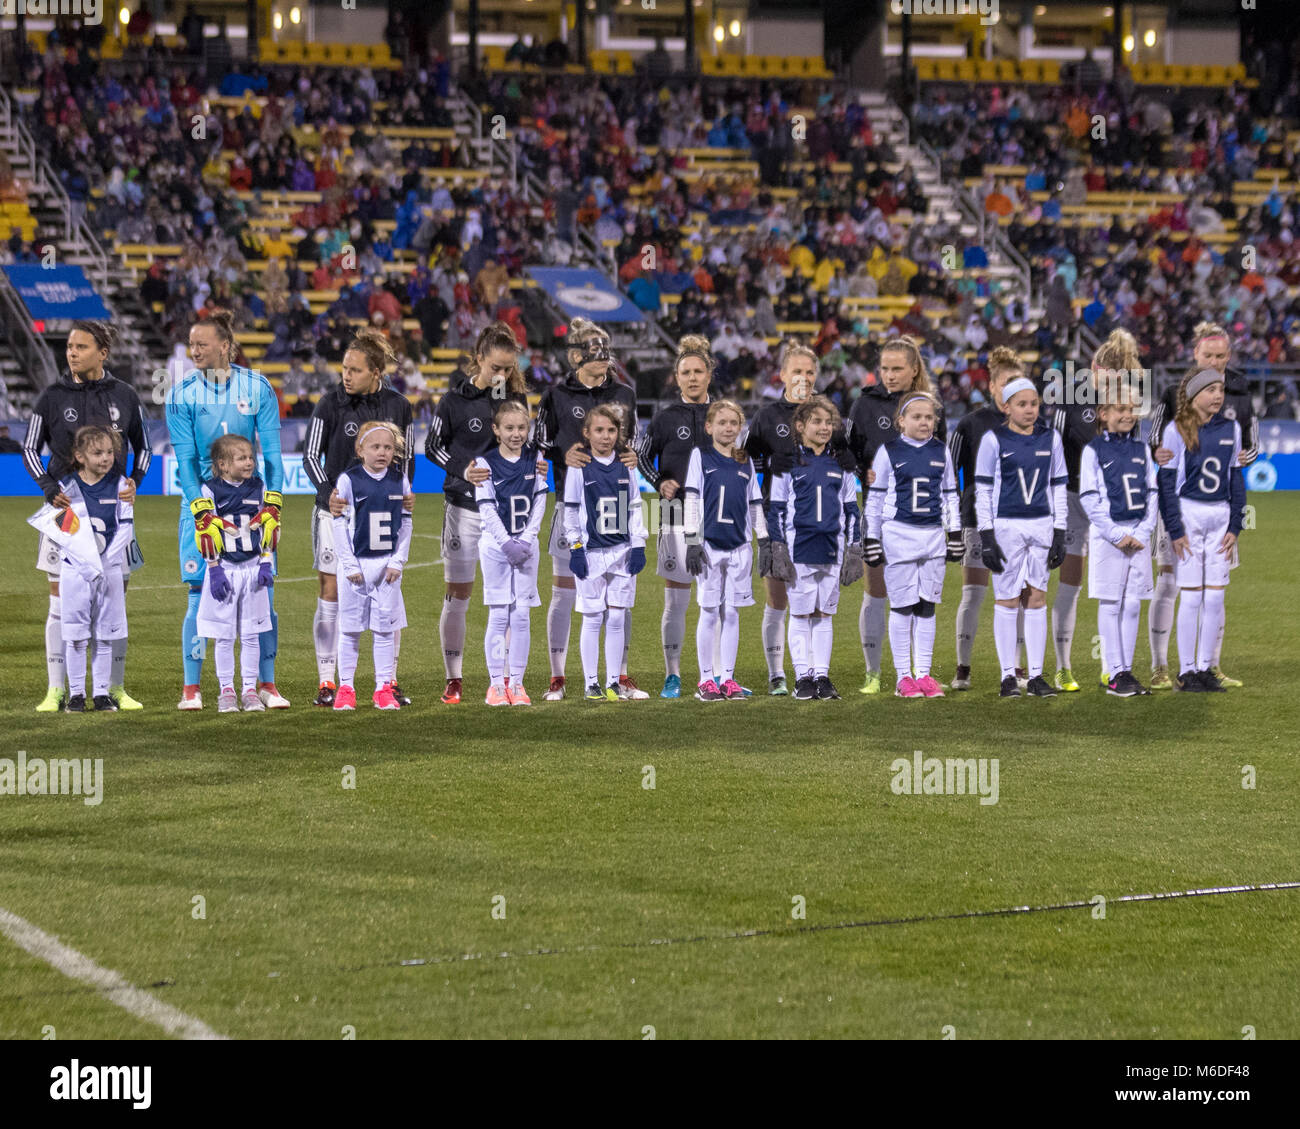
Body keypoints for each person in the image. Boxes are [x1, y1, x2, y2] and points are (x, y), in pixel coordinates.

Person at [23, 320, 149, 713]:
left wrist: (135, 481)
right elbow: (29, 448)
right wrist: (47, 486)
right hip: (67, 516)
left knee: (114, 605)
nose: (71, 352)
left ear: (103, 353)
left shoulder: (125, 395)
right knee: (60, 604)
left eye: (80, 346)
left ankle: (114, 688)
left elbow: (143, 448)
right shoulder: (53, 395)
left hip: (114, 515)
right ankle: (57, 689)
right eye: (69, 347)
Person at [167, 310, 285, 711]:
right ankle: (192, 689)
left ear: (225, 346)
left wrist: (274, 502)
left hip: (252, 506)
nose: (194, 351)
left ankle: (265, 685)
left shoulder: (258, 387)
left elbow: (272, 454)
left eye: (202, 344)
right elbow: (185, 461)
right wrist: (200, 508)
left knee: (261, 591)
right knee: (199, 593)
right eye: (191, 344)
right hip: (202, 504)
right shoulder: (181, 393)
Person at [534, 317, 645, 701]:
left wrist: (634, 457)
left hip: (615, 510)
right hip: (574, 504)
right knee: (565, 593)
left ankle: (619, 675)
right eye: (596, 351)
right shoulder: (555, 396)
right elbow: (539, 444)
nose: (604, 358)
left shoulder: (626, 394)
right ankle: (559, 676)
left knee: (619, 599)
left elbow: (637, 442)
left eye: (607, 350)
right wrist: (560, 456)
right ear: (576, 356)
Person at [306, 328, 414, 707]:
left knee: (389, 590)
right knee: (332, 591)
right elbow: (310, 457)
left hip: (382, 514)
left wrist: (401, 496)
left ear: (376, 372)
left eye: (354, 370)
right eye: (344, 369)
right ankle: (327, 680)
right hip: (335, 513)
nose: (345, 376)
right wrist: (329, 497)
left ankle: (390, 680)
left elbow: (408, 458)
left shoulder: (399, 406)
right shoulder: (328, 404)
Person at [1147, 322, 1255, 689]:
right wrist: (1156, 452)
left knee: (1214, 594)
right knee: (1175, 587)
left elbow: (1242, 460)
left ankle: (1209, 666)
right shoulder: (1174, 412)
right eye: (1208, 356)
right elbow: (1158, 451)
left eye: (1221, 356)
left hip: (1220, 513)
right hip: (1184, 511)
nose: (1215, 361)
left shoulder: (1237, 399)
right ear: (1195, 355)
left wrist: (1236, 523)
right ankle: (1171, 667)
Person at [425, 322, 528, 705]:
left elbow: (522, 446)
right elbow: (433, 446)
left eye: (509, 369)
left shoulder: (514, 402)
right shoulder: (453, 401)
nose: (502, 375)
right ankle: (454, 678)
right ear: (480, 359)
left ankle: (501, 678)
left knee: (505, 599)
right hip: (464, 509)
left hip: (504, 516)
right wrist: (464, 468)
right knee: (459, 595)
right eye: (497, 367)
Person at [847, 336, 947, 695]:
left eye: (896, 369)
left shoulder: (932, 407)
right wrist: (862, 473)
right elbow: (847, 452)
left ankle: (918, 672)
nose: (888, 375)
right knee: (877, 591)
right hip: (884, 513)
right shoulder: (864, 404)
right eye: (884, 368)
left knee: (919, 600)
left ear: (914, 369)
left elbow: (939, 463)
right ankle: (875, 671)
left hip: (925, 521)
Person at [1048, 328, 1142, 692]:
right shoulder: (1071, 402)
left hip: (1111, 508)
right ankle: (1063, 667)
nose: (1113, 381)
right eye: (1108, 373)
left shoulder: (1126, 407)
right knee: (1069, 586)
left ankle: (1111, 669)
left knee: (1113, 590)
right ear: (1093, 368)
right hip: (1072, 500)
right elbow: (1054, 452)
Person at [974, 375, 1068, 698]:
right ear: (1006, 406)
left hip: (1041, 525)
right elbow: (983, 491)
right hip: (1006, 527)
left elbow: (1058, 487)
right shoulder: (993, 440)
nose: (1030, 410)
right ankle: (1007, 676)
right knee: (1007, 599)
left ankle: (1038, 676)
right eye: (1022, 404)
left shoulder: (1051, 439)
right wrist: (986, 535)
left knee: (1037, 599)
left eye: (1034, 404)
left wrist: (1059, 531)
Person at [863, 392, 962, 698]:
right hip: (899, 535)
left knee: (927, 604)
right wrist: (871, 537)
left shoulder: (940, 451)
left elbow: (949, 494)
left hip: (932, 535)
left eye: (929, 417)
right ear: (901, 421)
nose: (924, 421)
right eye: (916, 417)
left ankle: (924, 673)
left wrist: (955, 533)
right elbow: (876, 498)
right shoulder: (889, 451)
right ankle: (903, 676)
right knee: (903, 605)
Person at [633, 335, 714, 699]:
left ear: (709, 374)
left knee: (716, 601)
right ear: (676, 377)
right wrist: (658, 481)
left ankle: (714, 674)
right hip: (673, 514)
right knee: (676, 601)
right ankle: (673, 674)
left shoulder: (723, 415)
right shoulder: (665, 419)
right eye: (686, 372)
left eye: (699, 371)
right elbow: (641, 457)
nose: (693, 378)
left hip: (716, 518)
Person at [767, 396, 862, 701]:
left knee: (824, 613)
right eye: (816, 421)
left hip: (831, 548)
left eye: (828, 422)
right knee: (800, 612)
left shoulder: (842, 465)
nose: (824, 427)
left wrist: (855, 548)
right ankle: (802, 676)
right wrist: (778, 547)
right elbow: (777, 508)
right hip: (800, 548)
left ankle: (822, 674)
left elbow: (851, 509)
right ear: (800, 426)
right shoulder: (787, 463)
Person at [739, 343, 818, 695]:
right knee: (778, 599)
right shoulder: (768, 416)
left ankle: (813, 670)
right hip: (776, 518)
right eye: (797, 371)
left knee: (814, 599)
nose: (804, 377)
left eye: (810, 372)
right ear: (783, 375)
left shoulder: (826, 413)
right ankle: (777, 674)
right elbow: (750, 461)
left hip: (818, 520)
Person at [563, 405, 649, 702]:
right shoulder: (579, 467)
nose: (606, 436)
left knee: (617, 617)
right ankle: (591, 684)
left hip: (623, 552)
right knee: (592, 618)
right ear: (586, 434)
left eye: (611, 430)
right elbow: (571, 510)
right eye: (599, 430)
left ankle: (613, 683)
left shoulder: (628, 464)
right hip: (591, 553)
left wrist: (639, 543)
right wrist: (575, 548)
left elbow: (636, 506)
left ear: (619, 433)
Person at [682, 399, 767, 701]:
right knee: (708, 612)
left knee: (731, 613)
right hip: (708, 546)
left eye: (734, 423)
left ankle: (728, 678)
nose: (729, 428)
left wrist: (764, 540)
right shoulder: (700, 456)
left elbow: (754, 502)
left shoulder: (745, 459)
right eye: (722, 423)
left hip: (740, 547)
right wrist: (692, 539)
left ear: (741, 426)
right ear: (709, 427)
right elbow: (691, 497)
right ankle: (706, 679)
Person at [1078, 386, 1158, 696]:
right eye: (1120, 408)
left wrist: (1142, 532)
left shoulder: (1141, 449)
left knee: (1134, 603)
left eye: (1132, 408)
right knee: (1111, 603)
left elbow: (1152, 492)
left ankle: (1126, 671)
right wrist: (1115, 534)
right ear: (1104, 414)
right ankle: (1114, 672)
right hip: (1108, 539)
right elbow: (1089, 496)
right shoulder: (1093, 450)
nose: (1127, 414)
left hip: (1137, 537)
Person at [947, 346, 1018, 690]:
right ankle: (963, 668)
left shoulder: (1034, 423)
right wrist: (954, 523)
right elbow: (950, 474)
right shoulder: (970, 424)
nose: (1012, 390)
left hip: (1019, 522)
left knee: (1017, 596)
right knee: (974, 594)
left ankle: (1018, 669)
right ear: (992, 386)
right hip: (977, 520)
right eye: (1006, 383)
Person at [472, 400, 549, 706]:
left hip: (527, 546)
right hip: (495, 547)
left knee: (521, 616)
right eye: (509, 428)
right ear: (496, 430)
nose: (516, 434)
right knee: (499, 613)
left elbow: (541, 500)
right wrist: (506, 543)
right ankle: (495, 685)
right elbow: (487, 508)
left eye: (521, 427)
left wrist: (527, 540)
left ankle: (517, 683)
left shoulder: (537, 458)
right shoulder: (485, 463)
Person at [332, 422, 413, 711]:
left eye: (388, 447)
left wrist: (397, 561)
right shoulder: (348, 480)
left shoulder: (399, 480)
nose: (382, 452)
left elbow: (405, 522)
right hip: (356, 567)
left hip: (387, 567)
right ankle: (346, 688)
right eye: (375, 447)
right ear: (360, 450)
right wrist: (349, 563)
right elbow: (338, 524)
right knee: (351, 630)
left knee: (384, 631)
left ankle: (382, 689)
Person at [195, 435, 275, 714]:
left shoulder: (260, 486)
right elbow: (205, 531)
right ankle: (226, 690)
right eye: (242, 458)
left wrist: (266, 561)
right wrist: (214, 569)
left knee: (252, 634)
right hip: (226, 568)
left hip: (253, 566)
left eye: (251, 457)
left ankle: (250, 690)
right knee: (224, 635)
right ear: (222, 464)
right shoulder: (210, 490)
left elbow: (270, 525)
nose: (249, 462)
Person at [56, 427, 134, 713]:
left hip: (109, 571)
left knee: (105, 634)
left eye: (110, 452)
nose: (105, 458)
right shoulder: (66, 488)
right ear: (79, 456)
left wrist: (103, 565)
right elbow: (62, 533)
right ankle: (76, 694)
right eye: (97, 453)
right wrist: (86, 565)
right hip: (75, 571)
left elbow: (125, 529)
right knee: (76, 634)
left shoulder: (121, 485)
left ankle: (101, 693)